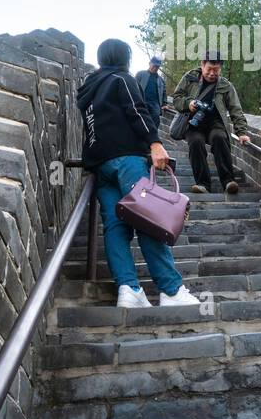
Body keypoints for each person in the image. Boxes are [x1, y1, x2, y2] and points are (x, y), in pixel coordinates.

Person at [76, 38, 200, 309]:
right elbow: (137, 111)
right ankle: (171, 290)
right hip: (127, 160)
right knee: (148, 218)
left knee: (115, 226)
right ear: (123, 58)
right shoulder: (122, 79)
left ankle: (129, 290)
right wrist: (155, 143)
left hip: (100, 167)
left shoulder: (87, 90)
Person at [171, 50, 250, 194]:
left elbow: (235, 109)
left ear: (221, 68)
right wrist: (188, 103)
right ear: (202, 65)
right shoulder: (190, 78)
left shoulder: (225, 85)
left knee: (220, 138)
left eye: (216, 70)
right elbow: (176, 98)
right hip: (194, 122)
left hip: (216, 122)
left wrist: (242, 132)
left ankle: (228, 181)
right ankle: (202, 184)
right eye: (209, 69)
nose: (212, 73)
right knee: (195, 142)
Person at [136, 55, 167, 129]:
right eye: (154, 65)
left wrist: (164, 103)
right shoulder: (140, 74)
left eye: (157, 67)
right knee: (140, 122)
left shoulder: (160, 80)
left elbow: (164, 93)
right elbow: (133, 87)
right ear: (149, 63)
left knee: (155, 122)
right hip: (142, 102)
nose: (155, 68)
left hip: (155, 105)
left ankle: (152, 138)